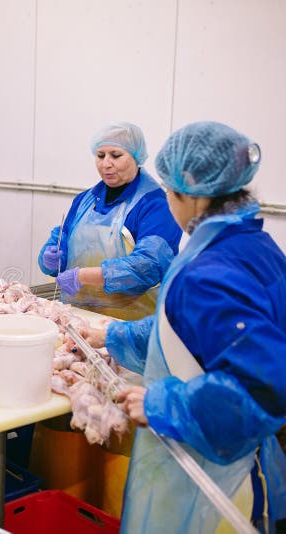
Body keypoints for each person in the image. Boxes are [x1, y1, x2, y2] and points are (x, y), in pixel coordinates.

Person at [84, 122, 285, 532]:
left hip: (225, 473)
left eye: (170, 193)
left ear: (189, 193)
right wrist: (114, 335)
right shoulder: (251, 244)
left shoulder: (210, 270)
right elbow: (186, 334)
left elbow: (266, 385)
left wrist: (163, 404)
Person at [38, 121, 182, 320]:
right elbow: (60, 238)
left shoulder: (156, 205)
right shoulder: (84, 200)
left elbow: (148, 266)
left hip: (129, 324)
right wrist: (51, 257)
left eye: (116, 155)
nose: (106, 163)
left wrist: (81, 276)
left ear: (136, 157)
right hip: (76, 316)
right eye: (100, 156)